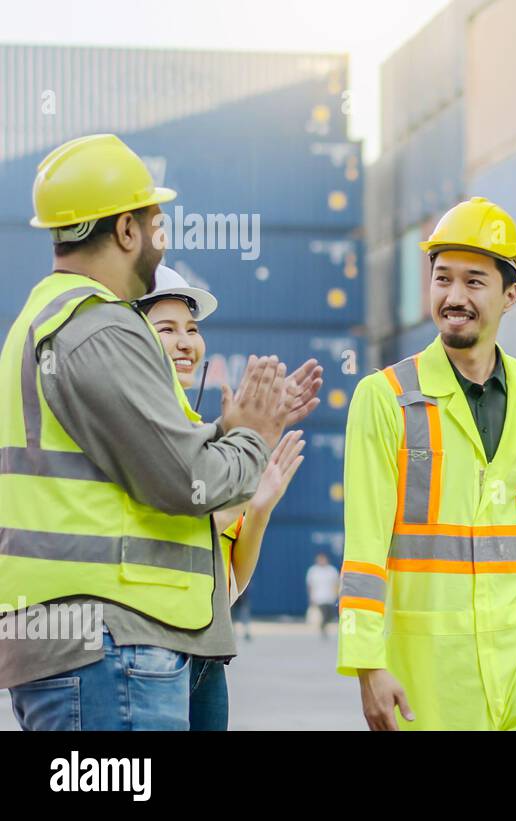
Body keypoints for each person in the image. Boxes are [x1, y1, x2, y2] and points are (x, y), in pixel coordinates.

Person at [0, 134, 314, 730]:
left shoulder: (45, 320)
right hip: (110, 645)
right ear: (125, 230)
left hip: (81, 640)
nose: (159, 238)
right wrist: (253, 435)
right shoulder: (100, 328)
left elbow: (134, 463)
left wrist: (228, 427)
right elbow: (186, 480)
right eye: (156, 223)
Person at [338, 196, 516, 731]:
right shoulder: (385, 398)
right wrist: (366, 663)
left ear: (510, 295)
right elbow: (364, 547)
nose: (453, 297)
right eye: (442, 279)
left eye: (473, 282)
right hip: (434, 674)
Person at [135, 265, 318, 730]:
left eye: (192, 330)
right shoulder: (132, 424)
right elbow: (173, 525)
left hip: (205, 656)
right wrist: (248, 454)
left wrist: (257, 509)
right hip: (149, 649)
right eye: (167, 329)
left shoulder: (201, 437)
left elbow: (230, 583)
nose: (186, 342)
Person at [306, 553, 340, 638]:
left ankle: (323, 625)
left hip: (329, 597)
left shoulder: (331, 570)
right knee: (323, 614)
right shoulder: (313, 571)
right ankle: (322, 627)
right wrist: (311, 597)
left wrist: (336, 594)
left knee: (330, 615)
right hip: (319, 597)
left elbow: (336, 584)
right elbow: (310, 585)